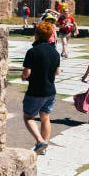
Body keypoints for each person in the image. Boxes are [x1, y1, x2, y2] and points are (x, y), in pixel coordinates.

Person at [21, 21, 61, 155]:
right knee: (45, 117)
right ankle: (44, 146)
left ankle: (39, 141)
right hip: (51, 91)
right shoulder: (55, 52)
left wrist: (24, 77)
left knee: (28, 117)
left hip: (36, 91)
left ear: (37, 35)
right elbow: (57, 72)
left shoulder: (32, 52)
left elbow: (27, 73)